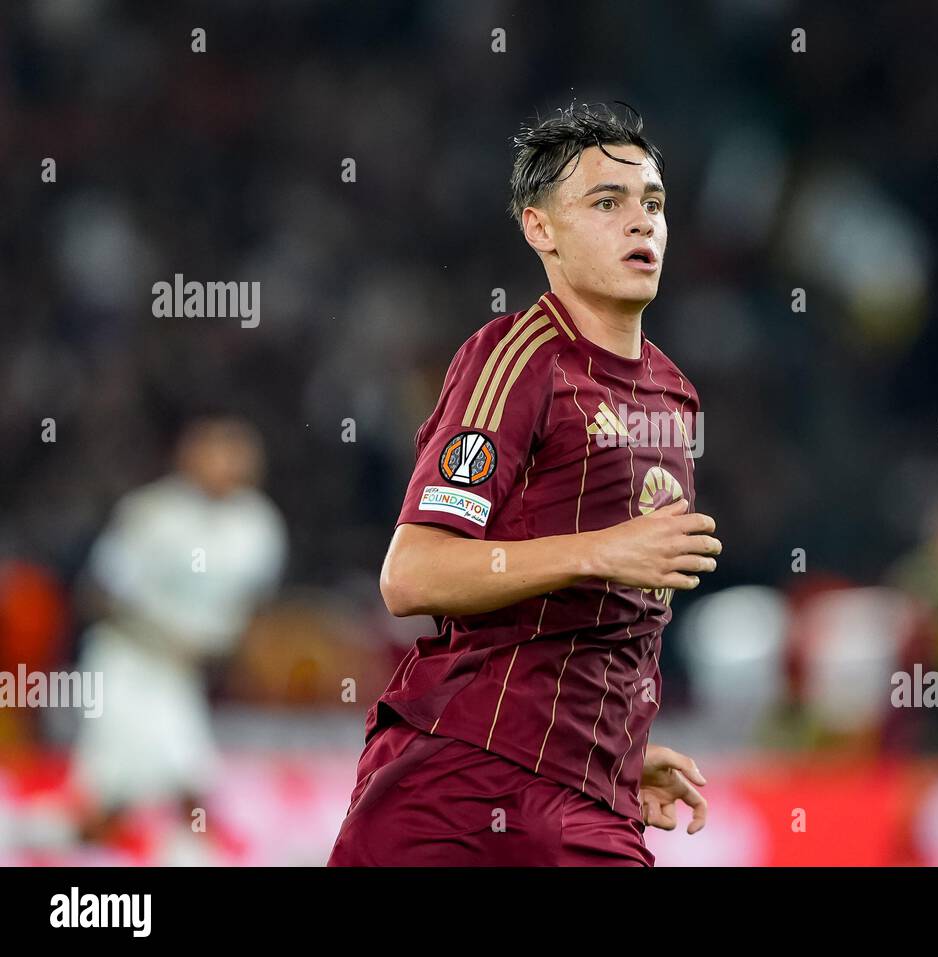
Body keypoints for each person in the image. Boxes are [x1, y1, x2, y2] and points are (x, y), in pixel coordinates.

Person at [329, 103, 720, 866]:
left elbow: (605, 626)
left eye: (653, 204)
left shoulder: (675, 396)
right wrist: (602, 549)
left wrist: (617, 750)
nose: (640, 222)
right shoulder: (518, 360)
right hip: (461, 789)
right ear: (541, 229)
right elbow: (413, 575)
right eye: (607, 203)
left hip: (590, 799)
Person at [70, 416, 287, 861]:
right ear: (189, 457)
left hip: (181, 670)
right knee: (142, 774)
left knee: (172, 770)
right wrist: (166, 635)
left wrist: (231, 652)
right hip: (127, 657)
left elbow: (252, 608)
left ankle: (108, 847)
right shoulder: (151, 514)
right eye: (215, 451)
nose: (227, 464)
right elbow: (100, 593)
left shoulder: (259, 527)